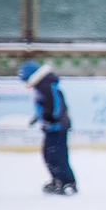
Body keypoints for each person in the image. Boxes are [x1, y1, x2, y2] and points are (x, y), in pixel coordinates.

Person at [19, 60, 77, 195]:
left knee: (56, 156)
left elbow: (55, 105)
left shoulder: (45, 85)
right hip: (53, 126)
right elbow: (46, 105)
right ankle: (59, 180)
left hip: (57, 127)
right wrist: (38, 117)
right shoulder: (43, 84)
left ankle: (67, 182)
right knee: (51, 155)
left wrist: (50, 118)